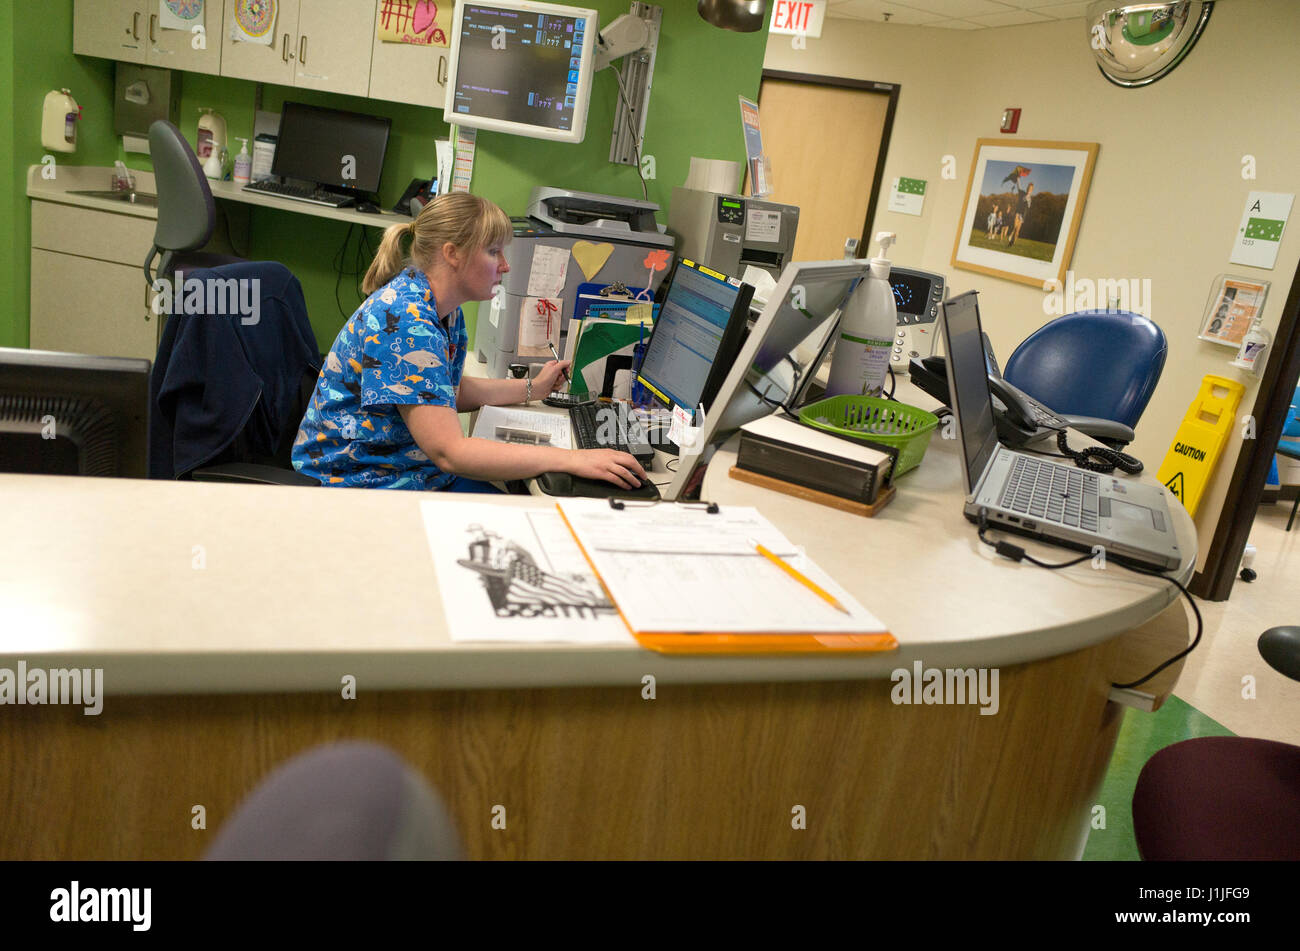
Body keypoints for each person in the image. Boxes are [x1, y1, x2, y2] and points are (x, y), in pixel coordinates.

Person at [292, 193, 646, 492]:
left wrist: (531, 388)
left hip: (403, 470)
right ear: (453, 254)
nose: (505, 266)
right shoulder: (405, 323)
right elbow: (450, 452)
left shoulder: (441, 306)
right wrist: (572, 458)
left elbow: (444, 392)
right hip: (356, 484)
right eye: (494, 252)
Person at [1009, 182, 1034, 247]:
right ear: (1027, 188)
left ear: (1032, 190)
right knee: (1014, 225)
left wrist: (1028, 200)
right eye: (1028, 187)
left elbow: (1028, 207)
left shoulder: (1030, 199)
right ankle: (1011, 234)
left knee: (1017, 231)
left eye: (1031, 188)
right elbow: (1019, 187)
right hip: (1018, 212)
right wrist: (1017, 179)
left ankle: (1012, 242)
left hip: (1023, 215)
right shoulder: (1022, 193)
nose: (1029, 189)